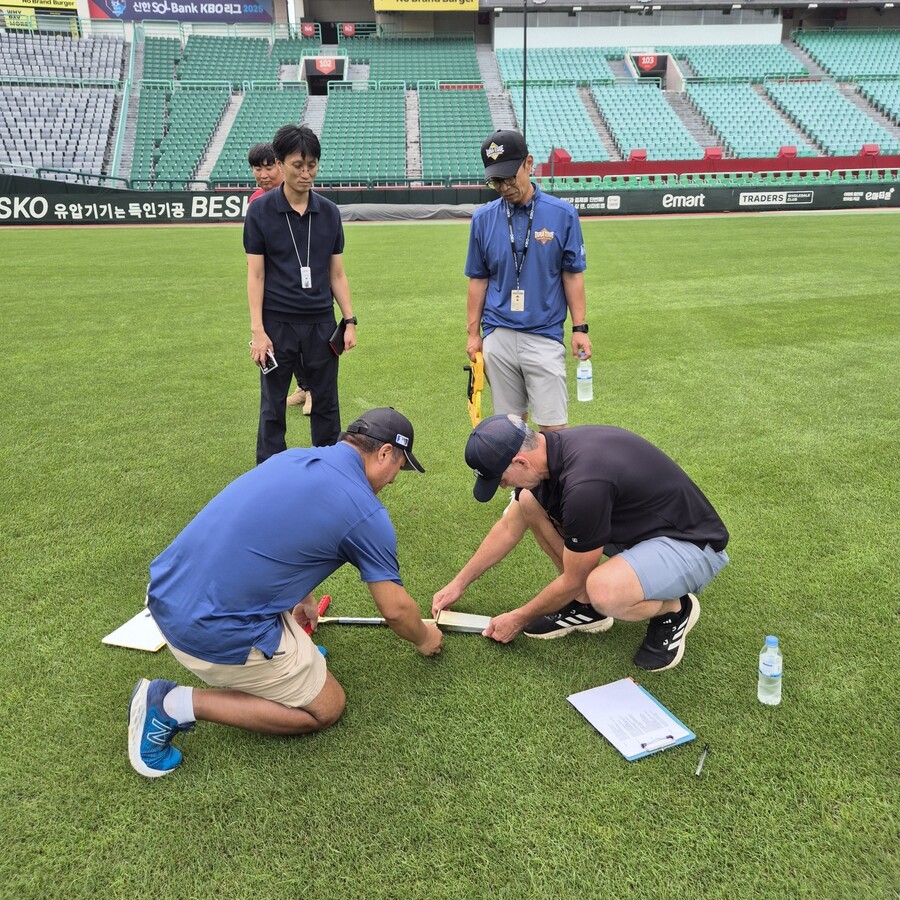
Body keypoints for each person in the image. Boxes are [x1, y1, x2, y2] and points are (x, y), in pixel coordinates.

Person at [128, 408, 443, 778]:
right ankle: (170, 704)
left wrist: (302, 595)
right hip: (205, 631)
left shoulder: (294, 457)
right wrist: (426, 638)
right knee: (326, 707)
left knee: (307, 662)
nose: (393, 480)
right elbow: (396, 612)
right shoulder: (366, 513)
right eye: (399, 468)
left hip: (165, 592)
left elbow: (269, 533)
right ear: (385, 453)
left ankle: (284, 660)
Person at [433, 414, 729, 672]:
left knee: (603, 589)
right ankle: (587, 609)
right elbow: (509, 527)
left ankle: (675, 609)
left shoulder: (584, 484)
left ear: (520, 460)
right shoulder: (548, 451)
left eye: (501, 478)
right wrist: (459, 583)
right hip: (639, 533)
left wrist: (519, 618)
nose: (502, 485)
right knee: (526, 502)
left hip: (692, 546)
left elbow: (575, 579)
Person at [466, 129, 592, 433]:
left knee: (554, 429)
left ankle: (553, 484)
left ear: (529, 164)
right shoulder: (483, 219)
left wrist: (579, 328)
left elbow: (572, 274)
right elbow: (478, 281)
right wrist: (473, 335)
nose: (505, 187)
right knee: (510, 429)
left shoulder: (562, 214)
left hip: (544, 335)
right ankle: (521, 484)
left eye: (510, 177)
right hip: (499, 334)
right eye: (496, 181)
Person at [244, 124, 356, 463]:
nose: (306, 173)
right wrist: (258, 332)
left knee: (326, 403)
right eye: (297, 165)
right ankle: (270, 475)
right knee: (273, 405)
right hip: (277, 324)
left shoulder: (329, 212)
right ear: (280, 164)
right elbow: (256, 274)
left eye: (312, 165)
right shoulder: (261, 212)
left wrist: (349, 319)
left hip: (322, 324)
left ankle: (327, 471)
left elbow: (336, 272)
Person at [247, 141, 312, 416]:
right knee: (276, 343)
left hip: (302, 291)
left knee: (306, 346)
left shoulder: (300, 196)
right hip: (272, 290)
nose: (264, 174)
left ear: (281, 166)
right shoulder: (255, 202)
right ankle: (302, 387)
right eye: (257, 168)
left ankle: (312, 390)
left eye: (269, 167)